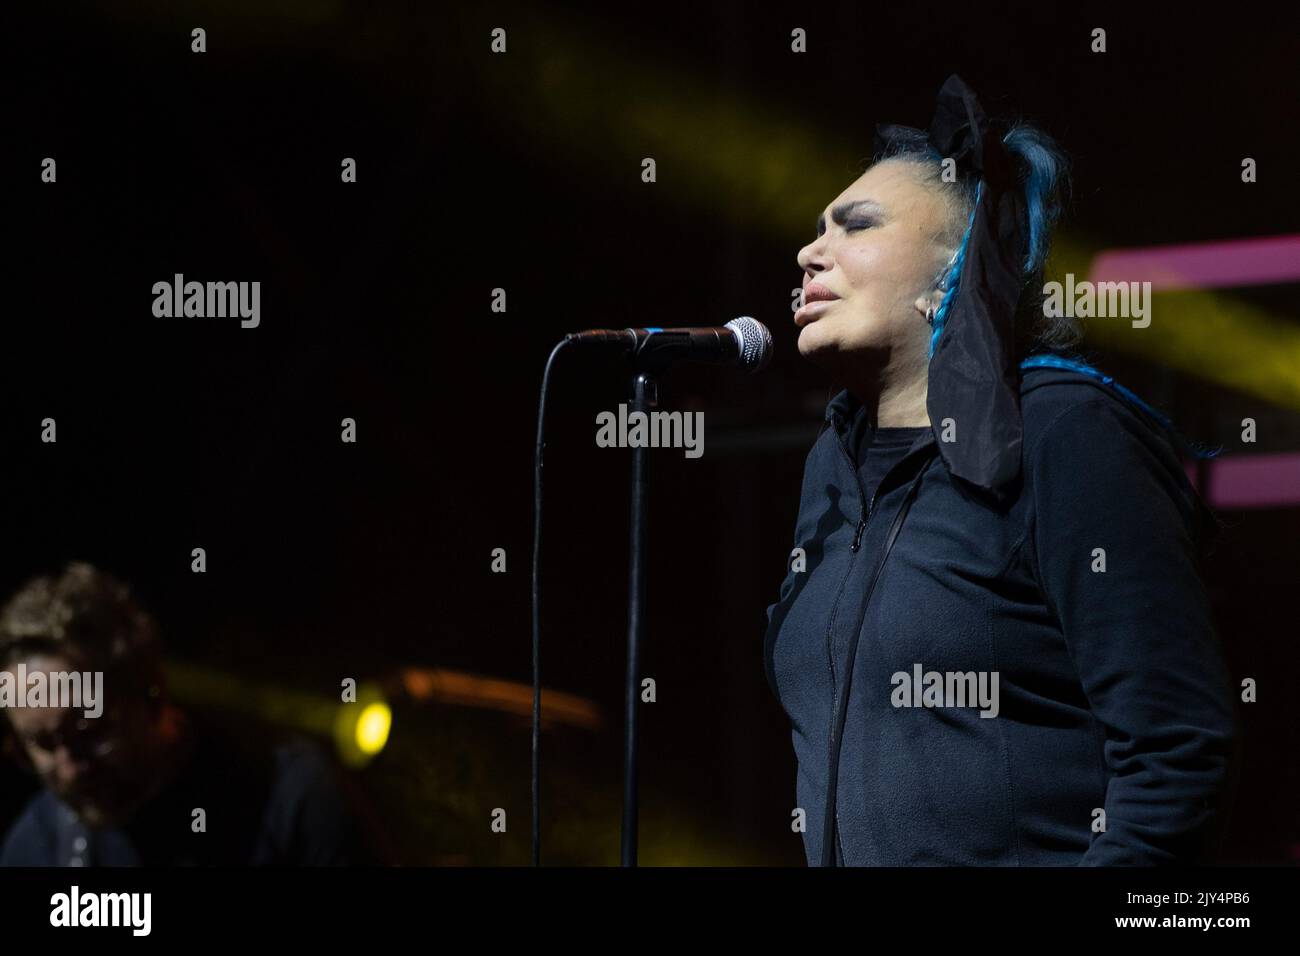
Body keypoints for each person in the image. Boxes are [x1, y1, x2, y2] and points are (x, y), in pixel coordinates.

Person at [763, 75, 1240, 866]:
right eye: (817, 230)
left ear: (955, 262)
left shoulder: (1062, 430)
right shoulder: (832, 469)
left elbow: (1176, 750)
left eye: (856, 226)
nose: (812, 250)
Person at [0, 561, 366, 865]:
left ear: (152, 693)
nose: (70, 770)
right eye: (42, 744)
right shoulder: (34, 849)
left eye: (89, 730)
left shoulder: (296, 800)